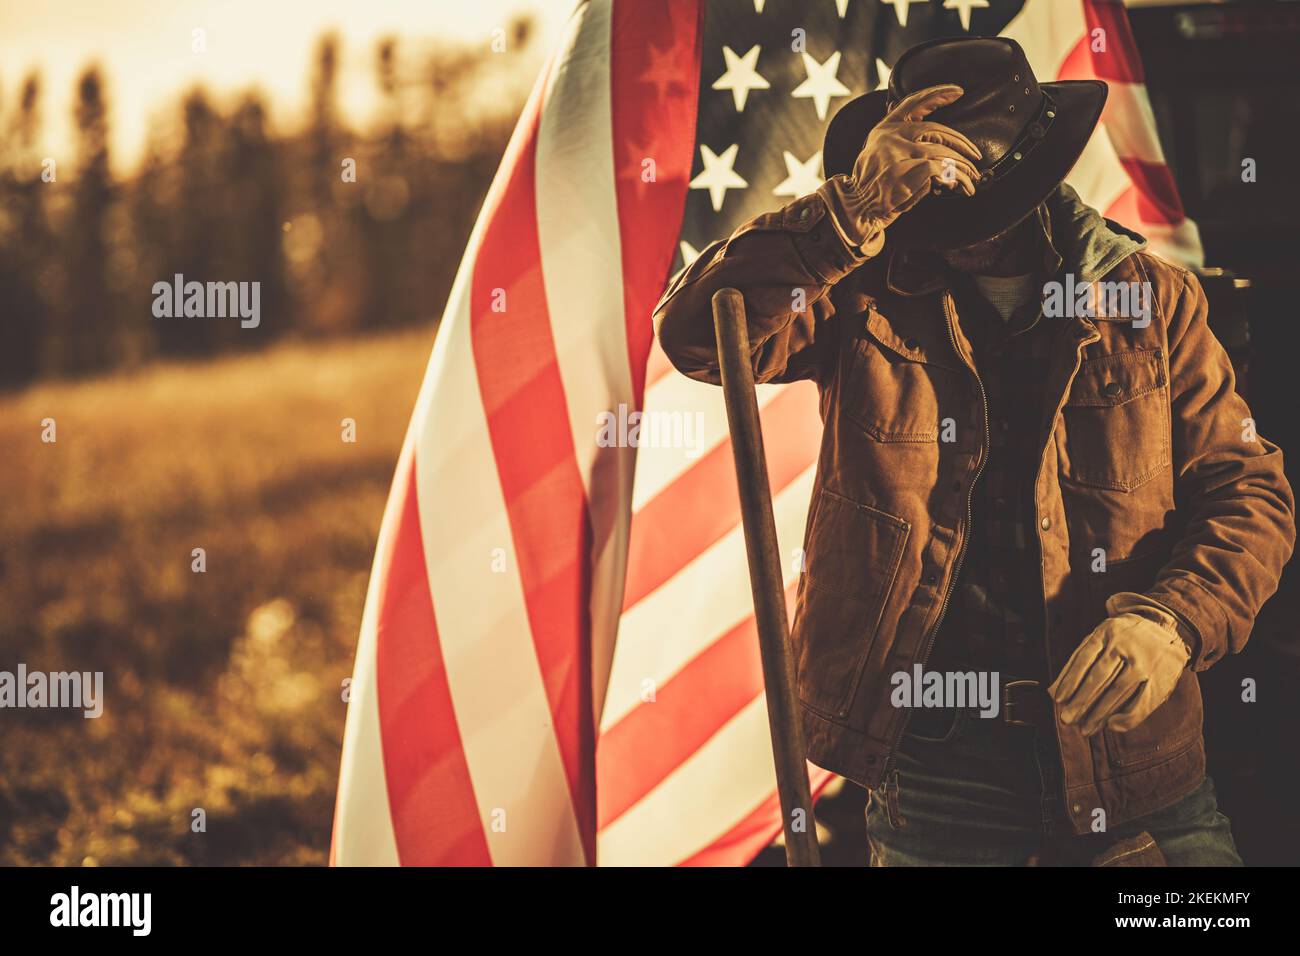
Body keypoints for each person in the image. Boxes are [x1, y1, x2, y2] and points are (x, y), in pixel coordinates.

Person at [653, 36, 1295, 866]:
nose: (946, 226)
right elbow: (702, 336)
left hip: (1135, 757)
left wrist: (1172, 623)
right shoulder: (859, 290)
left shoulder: (1149, 297)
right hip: (935, 767)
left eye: (968, 205)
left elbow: (1249, 494)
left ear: (1033, 181)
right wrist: (848, 211)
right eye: (926, 197)